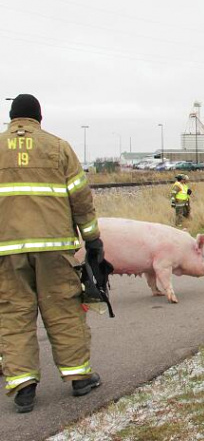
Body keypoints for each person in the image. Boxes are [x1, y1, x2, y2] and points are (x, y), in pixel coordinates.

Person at [0, 94, 103, 413]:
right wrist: (93, 240)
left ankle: (23, 385)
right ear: (38, 119)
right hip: (54, 247)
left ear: (12, 118)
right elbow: (81, 199)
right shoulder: (58, 147)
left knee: (14, 313)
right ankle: (79, 378)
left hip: (7, 250)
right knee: (63, 309)